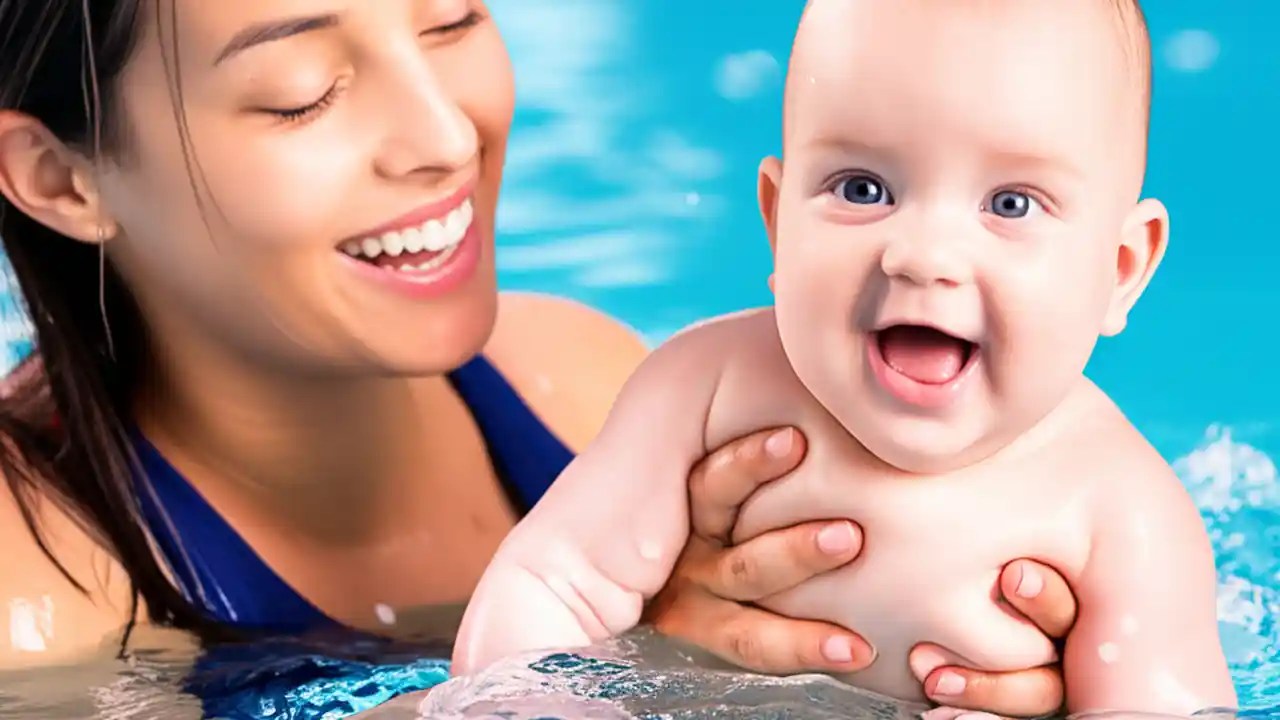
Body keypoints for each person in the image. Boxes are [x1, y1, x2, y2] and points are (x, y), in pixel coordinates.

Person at [0, 0, 1078, 716]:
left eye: (451, 17)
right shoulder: (39, 586)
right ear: (60, 179)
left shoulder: (578, 385)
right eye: (300, 91)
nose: (441, 135)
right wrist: (641, 666)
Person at [452, 0, 1239, 716]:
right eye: (862, 189)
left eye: (1011, 204)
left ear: (1121, 269)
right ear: (776, 220)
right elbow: (551, 585)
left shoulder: (1124, 511)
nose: (924, 255)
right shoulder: (704, 389)